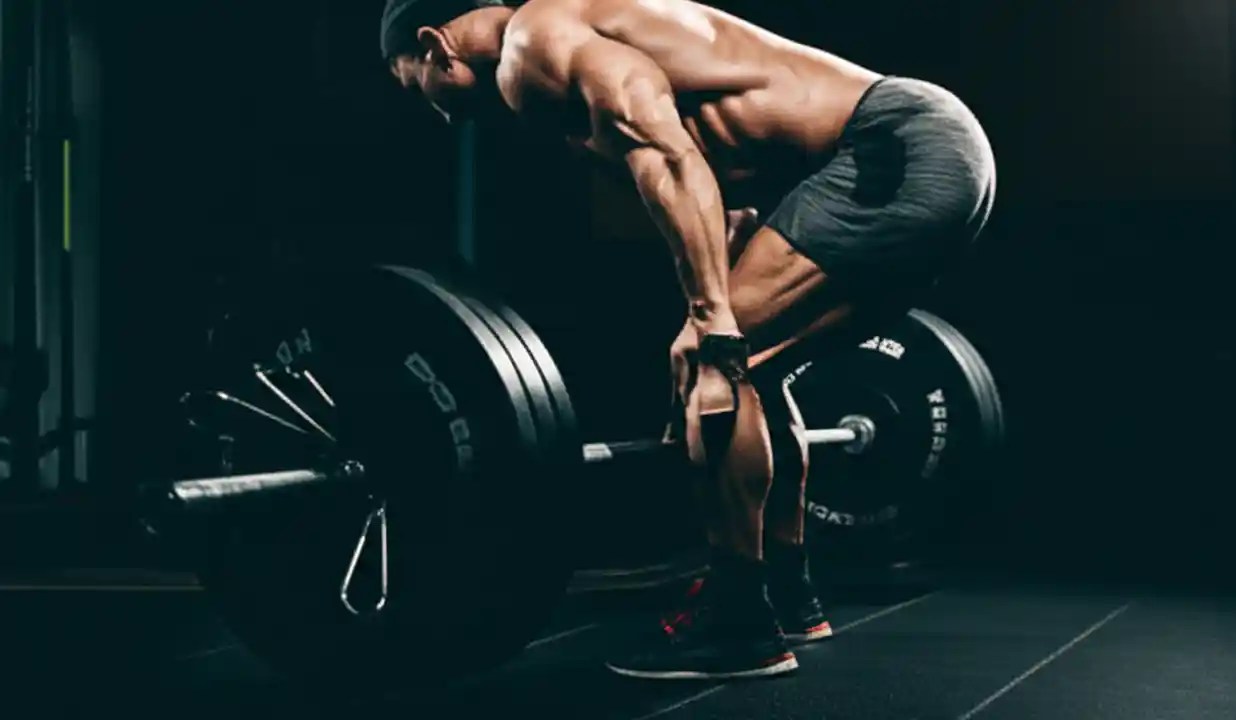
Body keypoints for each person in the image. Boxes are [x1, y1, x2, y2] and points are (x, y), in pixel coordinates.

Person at [381, 0, 995, 680]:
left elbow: (668, 159)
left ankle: (739, 626)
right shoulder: (580, 35)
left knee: (713, 362)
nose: (434, 112)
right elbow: (724, 186)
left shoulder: (535, 42)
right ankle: (788, 593)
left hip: (891, 149)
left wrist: (710, 316)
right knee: (755, 368)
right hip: (931, 149)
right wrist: (724, 298)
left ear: (438, 47)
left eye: (415, 88)